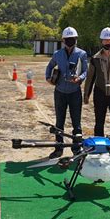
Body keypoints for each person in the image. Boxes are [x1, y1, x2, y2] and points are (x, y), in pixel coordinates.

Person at [45, 27, 87, 159]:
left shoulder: (82, 54)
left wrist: (79, 78)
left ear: (76, 40)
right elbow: (50, 66)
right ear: (63, 40)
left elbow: (85, 70)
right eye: (67, 39)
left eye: (72, 39)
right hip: (60, 92)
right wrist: (48, 78)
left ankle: (76, 148)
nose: (70, 41)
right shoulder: (57, 54)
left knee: (76, 122)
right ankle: (59, 149)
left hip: (75, 92)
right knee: (59, 121)